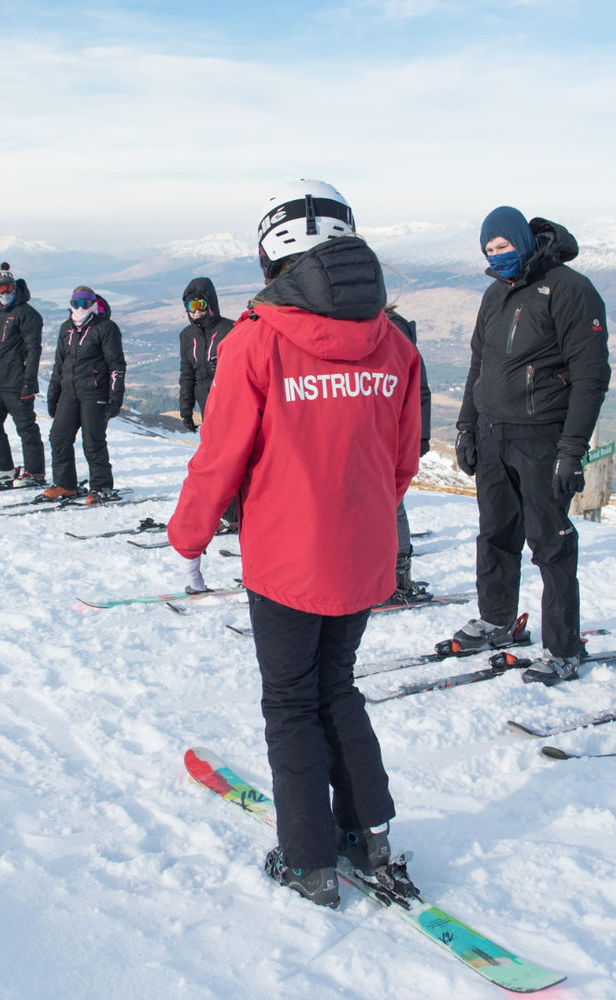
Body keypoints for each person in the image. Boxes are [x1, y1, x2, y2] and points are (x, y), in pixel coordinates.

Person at [168, 180, 422, 908]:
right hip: (361, 552)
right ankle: (367, 833)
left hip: (285, 558)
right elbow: (401, 461)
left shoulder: (256, 338)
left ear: (271, 256)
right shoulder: (393, 341)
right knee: (335, 688)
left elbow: (220, 458)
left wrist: (189, 539)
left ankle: (308, 860)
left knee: (289, 702)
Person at [451, 207, 611, 684]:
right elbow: (478, 365)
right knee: (496, 533)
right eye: (489, 250)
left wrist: (571, 449)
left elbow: (591, 375)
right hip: (493, 433)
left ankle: (563, 647)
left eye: (503, 247)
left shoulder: (568, 288)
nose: (496, 257)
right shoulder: (495, 294)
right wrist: (466, 425)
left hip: (543, 436)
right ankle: (498, 620)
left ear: (523, 240)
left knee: (550, 543)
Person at [44, 286, 126, 504]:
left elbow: (116, 365)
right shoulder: (66, 328)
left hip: (94, 394)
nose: (80, 307)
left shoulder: (106, 327)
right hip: (69, 394)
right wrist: (53, 394)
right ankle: (65, 484)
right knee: (58, 438)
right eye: (76, 302)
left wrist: (115, 398)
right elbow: (59, 364)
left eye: (85, 302)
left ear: (94, 304)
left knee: (92, 442)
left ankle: (101, 487)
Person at [0, 263, 44, 486]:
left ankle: (35, 473)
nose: (4, 293)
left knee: (26, 427)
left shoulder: (27, 314)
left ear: (15, 287)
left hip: (16, 382)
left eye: (7, 288)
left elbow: (34, 350)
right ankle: (3, 468)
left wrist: (29, 382)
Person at [178, 277, 237, 525]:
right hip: (206, 405)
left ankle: (240, 513)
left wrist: (221, 367)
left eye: (200, 304)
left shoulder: (230, 329)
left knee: (233, 458)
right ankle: (228, 513)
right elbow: (186, 373)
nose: (196, 311)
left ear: (210, 303)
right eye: (190, 307)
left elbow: (246, 367)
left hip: (232, 403)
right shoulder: (187, 335)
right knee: (215, 460)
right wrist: (185, 409)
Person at [386, 306, 432, 601]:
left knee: (393, 502)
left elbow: (418, 390)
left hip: (396, 433)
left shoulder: (392, 328)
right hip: (379, 433)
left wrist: (421, 436)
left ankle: (399, 577)